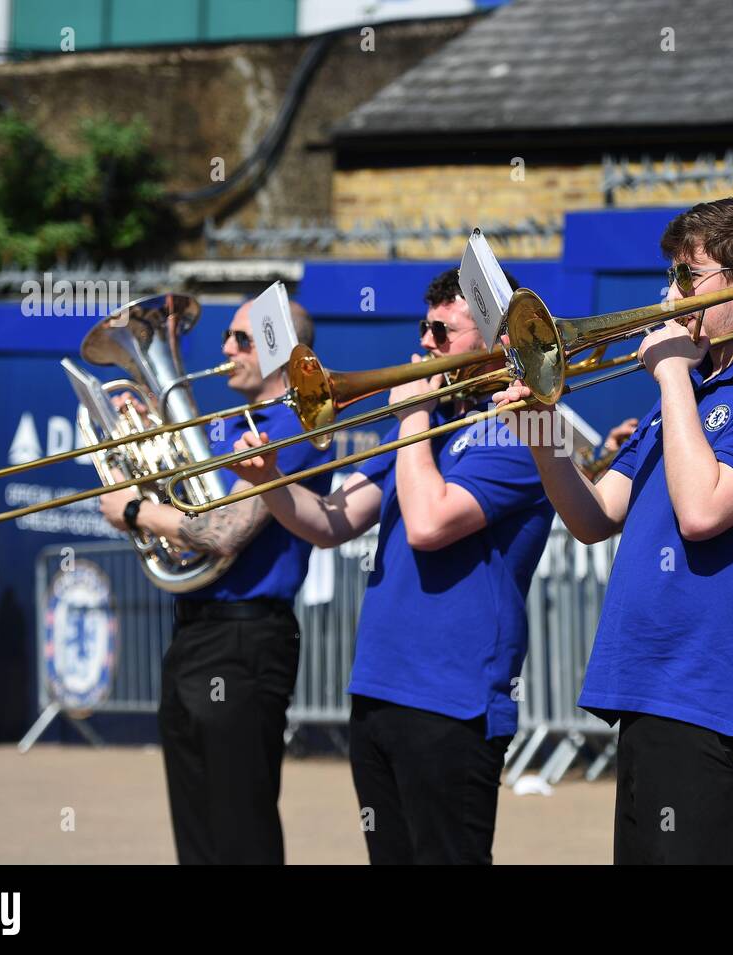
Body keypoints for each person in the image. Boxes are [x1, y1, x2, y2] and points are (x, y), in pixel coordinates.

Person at [493, 197, 733, 864]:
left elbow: (703, 510)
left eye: (686, 276)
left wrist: (674, 373)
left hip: (714, 696)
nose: (666, 294)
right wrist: (538, 428)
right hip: (644, 685)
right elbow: (595, 516)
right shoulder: (683, 396)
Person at [231, 268, 554, 865]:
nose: (425, 342)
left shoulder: (521, 432)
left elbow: (430, 525)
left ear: (498, 341)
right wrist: (269, 481)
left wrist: (410, 417)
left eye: (442, 330)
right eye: (423, 328)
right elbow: (331, 522)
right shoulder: (426, 432)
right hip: (378, 689)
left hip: (453, 697)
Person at [99, 299, 333, 865]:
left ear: (280, 349)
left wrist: (134, 512)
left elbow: (224, 530)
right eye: (228, 338)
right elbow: (191, 505)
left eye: (241, 340)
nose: (225, 350)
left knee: (239, 829)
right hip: (194, 636)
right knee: (196, 830)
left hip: (246, 641)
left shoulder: (293, 422)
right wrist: (143, 438)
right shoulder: (224, 425)